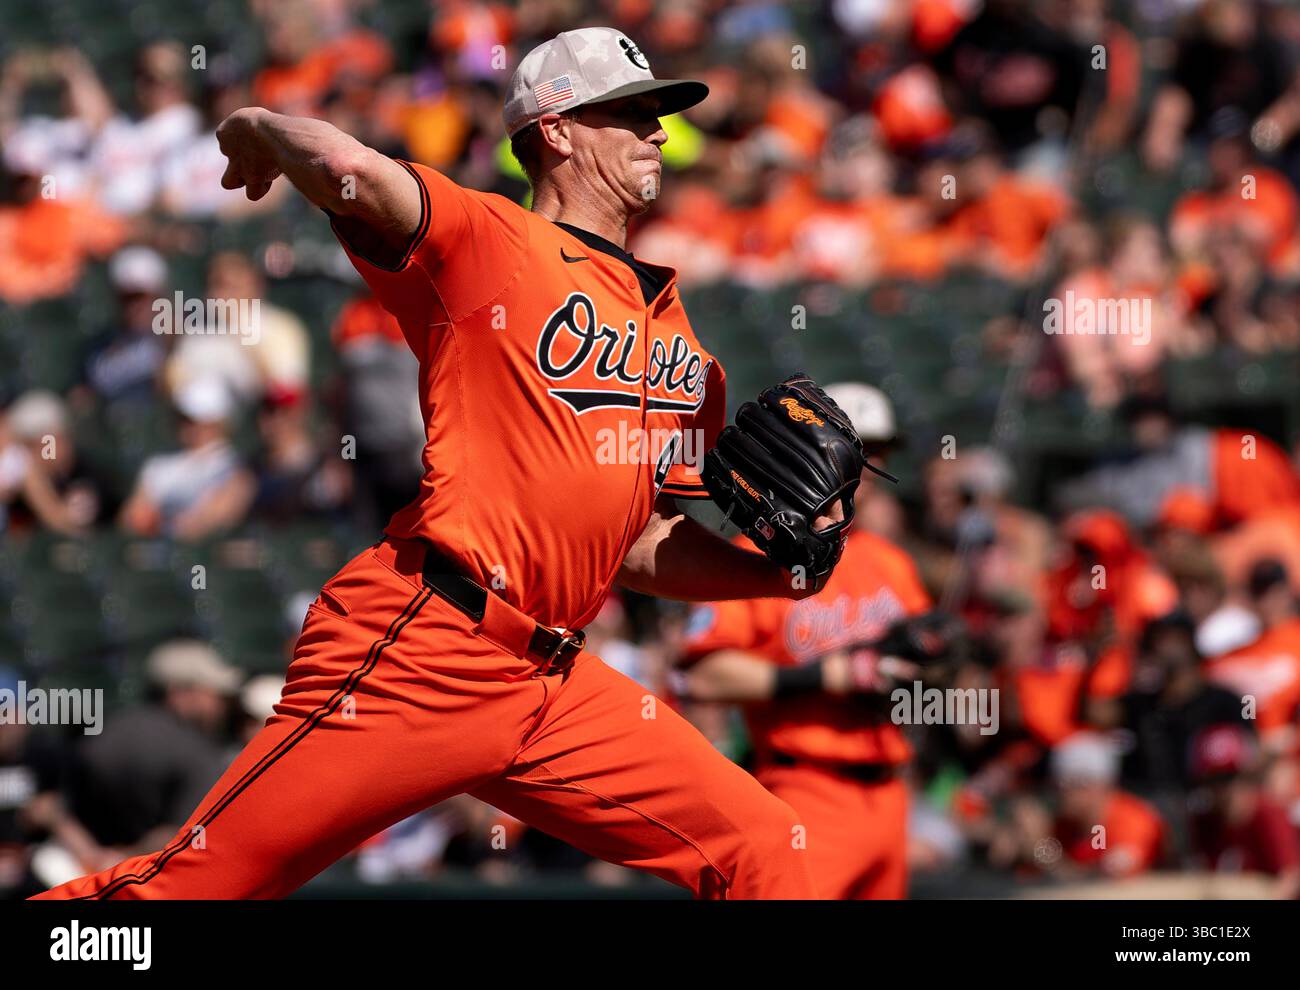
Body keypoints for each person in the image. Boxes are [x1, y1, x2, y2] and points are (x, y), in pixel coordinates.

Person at [36, 27, 830, 901]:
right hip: (429, 638)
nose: (658, 133)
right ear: (557, 129)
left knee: (769, 848)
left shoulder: (686, 346)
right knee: (191, 891)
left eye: (658, 115)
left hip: (553, 682)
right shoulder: (494, 241)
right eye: (632, 112)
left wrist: (777, 579)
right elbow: (361, 173)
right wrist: (265, 126)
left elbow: (641, 545)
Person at [674, 384, 931, 899]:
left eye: (880, 454)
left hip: (888, 788)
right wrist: (827, 675)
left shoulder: (890, 561)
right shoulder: (753, 557)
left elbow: (921, 670)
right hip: (806, 789)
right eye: (864, 452)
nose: (872, 468)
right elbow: (701, 674)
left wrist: (940, 659)